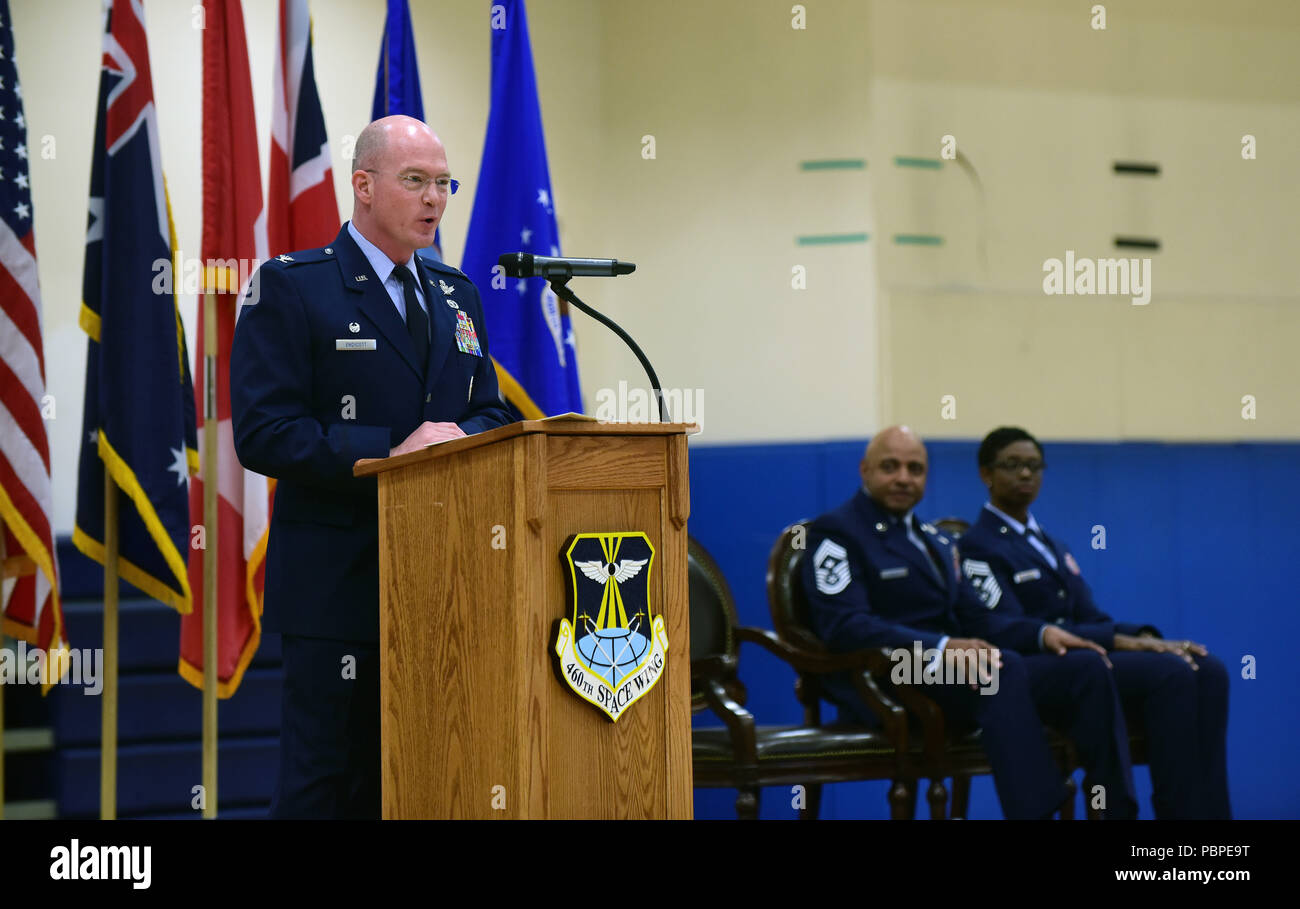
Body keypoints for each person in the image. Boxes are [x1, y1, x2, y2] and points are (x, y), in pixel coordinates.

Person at [230, 116, 514, 819]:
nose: (434, 200)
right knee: (327, 786)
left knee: (426, 779)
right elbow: (266, 433)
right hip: (339, 590)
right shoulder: (294, 288)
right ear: (362, 185)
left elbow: (496, 414)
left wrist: (458, 432)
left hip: (444, 586)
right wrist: (389, 449)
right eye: (415, 181)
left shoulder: (456, 295)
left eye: (443, 183)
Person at [800, 425, 1138, 819]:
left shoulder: (936, 541)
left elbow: (978, 617)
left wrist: (1043, 634)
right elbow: (845, 627)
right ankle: (1037, 812)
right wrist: (943, 647)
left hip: (954, 668)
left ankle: (1117, 811)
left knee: (1084, 669)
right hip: (891, 668)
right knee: (1001, 667)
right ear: (865, 470)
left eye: (915, 469)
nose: (903, 478)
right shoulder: (836, 532)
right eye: (890, 467)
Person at [958, 426, 1231, 819]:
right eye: (1012, 465)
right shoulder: (977, 546)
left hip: (1088, 657)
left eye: (1034, 466)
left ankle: (1211, 814)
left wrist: (1143, 636)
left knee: (1209, 671)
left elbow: (1091, 616)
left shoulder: (1050, 544)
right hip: (1046, 669)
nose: (1025, 475)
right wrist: (1125, 644)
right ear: (986, 474)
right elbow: (1008, 626)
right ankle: (1178, 812)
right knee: (1169, 674)